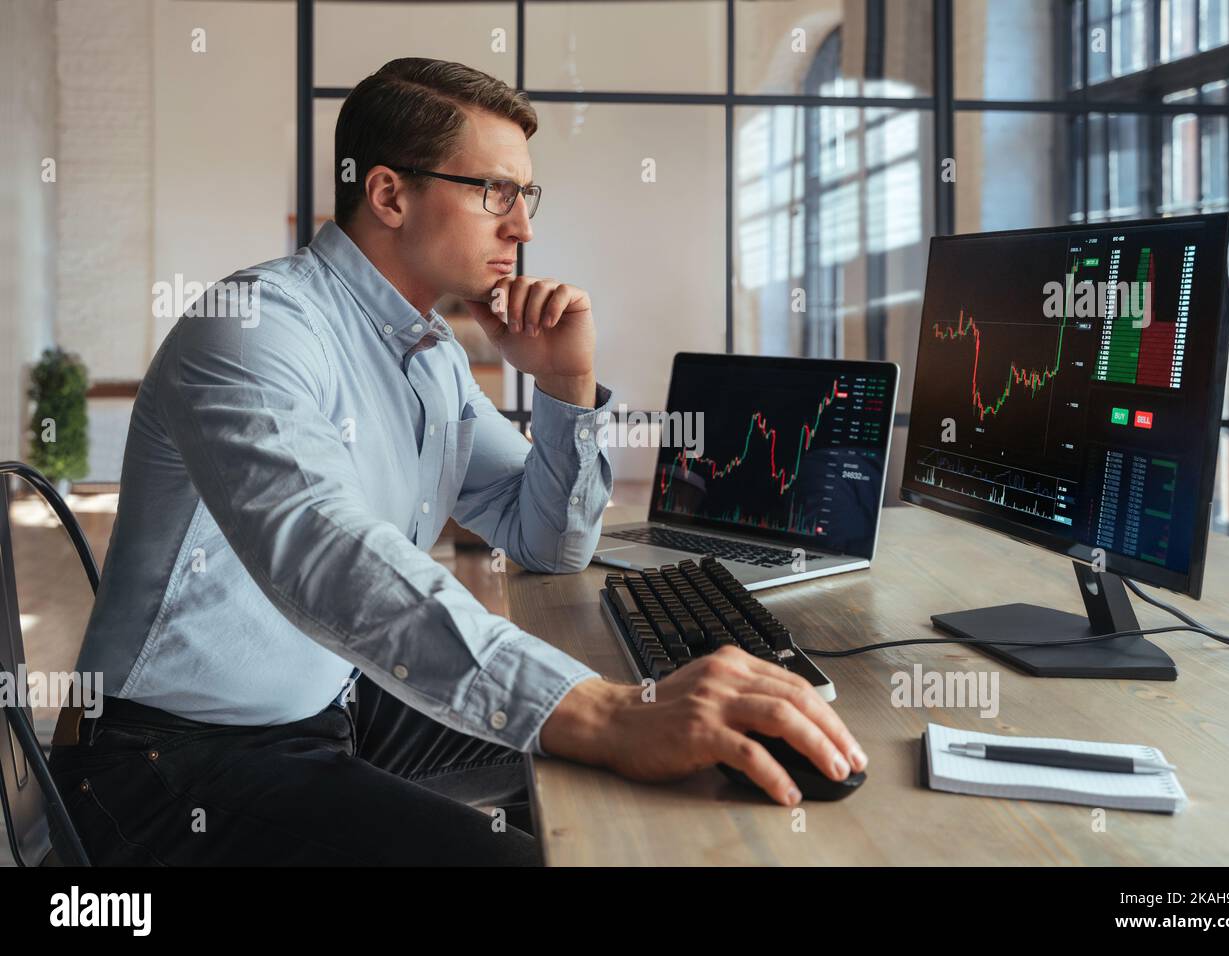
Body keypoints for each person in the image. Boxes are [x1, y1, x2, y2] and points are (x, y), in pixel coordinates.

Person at [48, 57, 866, 866]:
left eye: (525, 196)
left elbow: (546, 541)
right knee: (529, 841)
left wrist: (567, 384)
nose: (523, 226)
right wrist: (607, 715)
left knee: (673, 770)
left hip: (334, 700)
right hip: (161, 765)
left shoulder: (429, 354)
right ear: (389, 195)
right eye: (494, 192)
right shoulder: (255, 327)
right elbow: (326, 557)